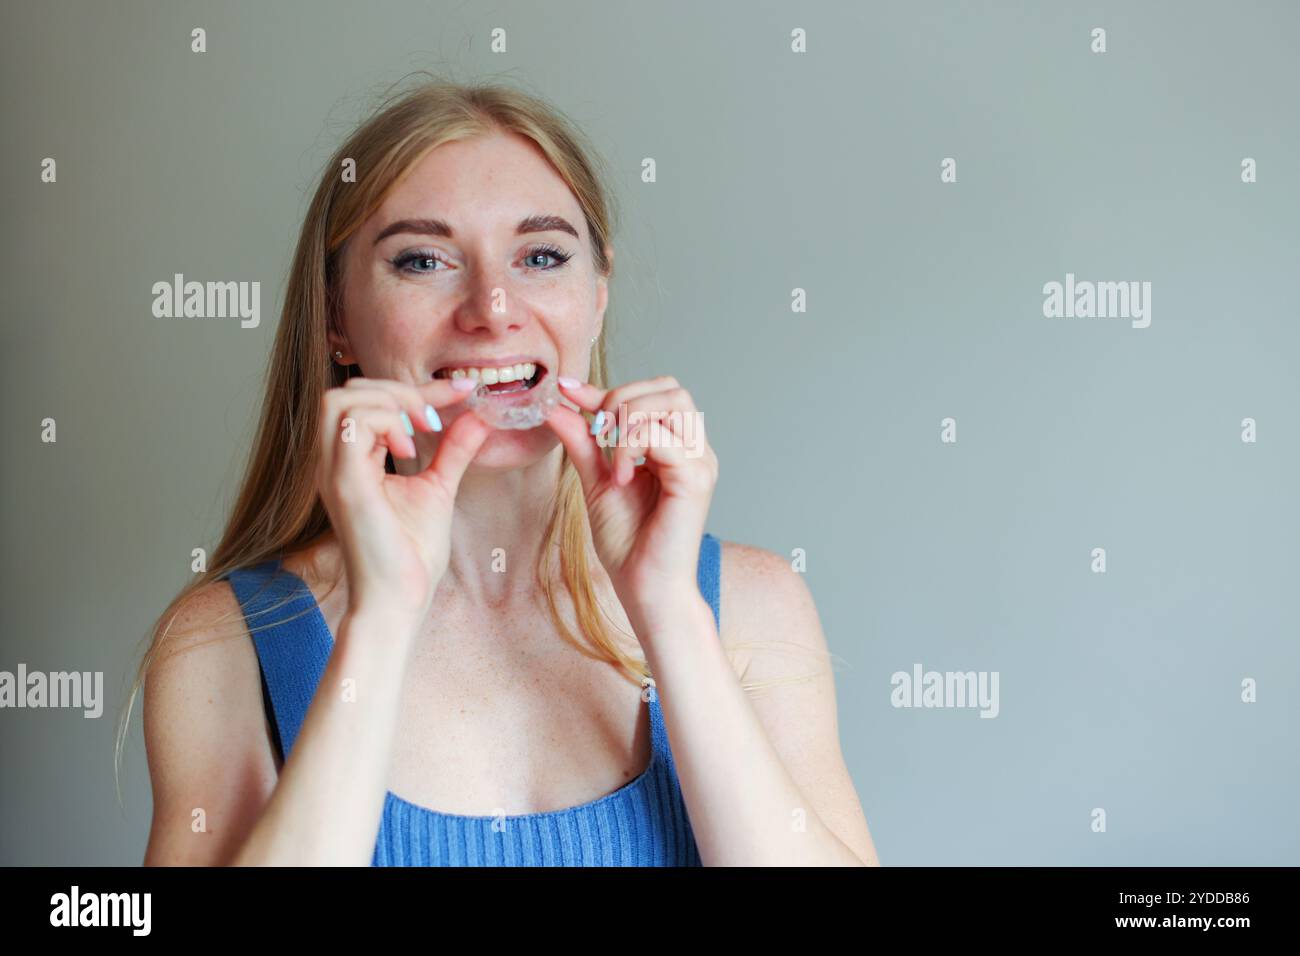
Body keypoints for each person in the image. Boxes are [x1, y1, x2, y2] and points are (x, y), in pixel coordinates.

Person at [128, 78, 878, 866]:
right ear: (337, 319)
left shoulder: (753, 609)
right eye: (422, 260)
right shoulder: (225, 646)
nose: (492, 307)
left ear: (597, 294)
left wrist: (668, 612)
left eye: (542, 256)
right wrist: (381, 617)